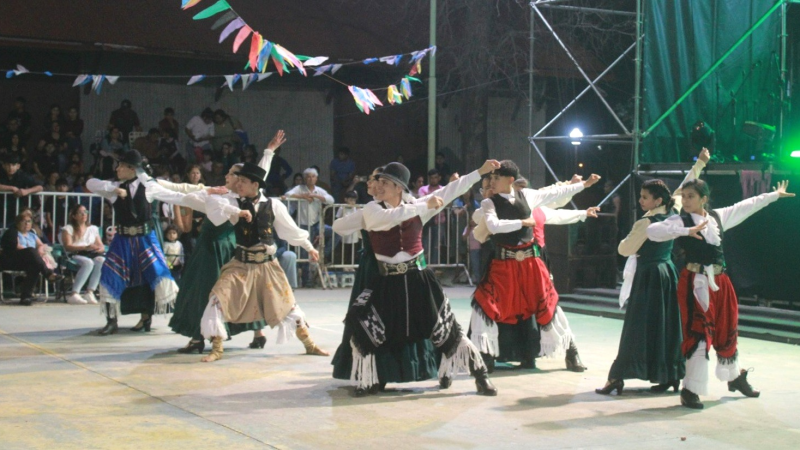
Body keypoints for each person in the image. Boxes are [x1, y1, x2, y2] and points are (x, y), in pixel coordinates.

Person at [345, 160, 502, 397]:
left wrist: (480, 172)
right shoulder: (372, 209)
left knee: (446, 329)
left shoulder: (420, 206)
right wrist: (422, 206)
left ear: (399, 187)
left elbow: (452, 189)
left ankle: (480, 375)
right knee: (371, 328)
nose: (378, 186)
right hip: (387, 280)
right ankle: (371, 378)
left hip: (419, 279)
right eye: (378, 182)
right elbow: (385, 219)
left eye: (385, 182)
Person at [646, 176, 795, 409]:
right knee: (698, 333)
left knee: (727, 329)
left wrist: (773, 196)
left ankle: (734, 377)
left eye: (691, 196)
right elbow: (653, 231)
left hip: (720, 281)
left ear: (703, 199)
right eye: (684, 196)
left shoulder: (717, 216)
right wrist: (685, 230)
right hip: (695, 283)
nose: (686, 200)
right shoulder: (680, 220)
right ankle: (690, 388)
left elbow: (745, 206)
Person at [469, 160, 600, 373]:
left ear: (510, 180)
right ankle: (485, 354)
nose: (492, 182)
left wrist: (582, 185)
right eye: (490, 178)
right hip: (503, 264)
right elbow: (493, 226)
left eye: (496, 178)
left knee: (548, 303)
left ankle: (571, 351)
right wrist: (522, 223)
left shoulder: (528, 196)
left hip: (531, 262)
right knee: (487, 304)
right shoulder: (488, 204)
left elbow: (554, 194)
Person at [595, 151, 708, 396]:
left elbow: (624, 249)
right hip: (667, 273)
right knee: (665, 325)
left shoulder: (645, 224)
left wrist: (628, 240)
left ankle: (617, 377)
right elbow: (683, 186)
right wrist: (700, 163)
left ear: (657, 200)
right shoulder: (674, 211)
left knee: (637, 327)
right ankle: (669, 375)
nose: (640, 200)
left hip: (648, 276)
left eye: (644, 197)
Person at [165, 131, 285, 354]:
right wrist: (269, 151)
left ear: (241, 180)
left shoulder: (229, 197)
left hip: (213, 249)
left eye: (231, 174)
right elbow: (258, 175)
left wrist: (269, 153)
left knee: (206, 291)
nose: (226, 176)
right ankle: (256, 333)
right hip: (225, 247)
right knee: (238, 291)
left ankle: (198, 338)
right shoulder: (228, 195)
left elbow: (258, 175)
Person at [198, 161, 328, 362]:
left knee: (288, 305)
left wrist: (309, 247)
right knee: (217, 298)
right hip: (241, 264)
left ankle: (309, 345)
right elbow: (209, 204)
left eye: (243, 181)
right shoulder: (232, 202)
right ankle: (217, 348)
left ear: (255, 184)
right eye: (238, 180)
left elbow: (290, 229)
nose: (238, 184)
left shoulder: (273, 205)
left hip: (267, 266)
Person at [86, 150, 186, 336]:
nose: (117, 169)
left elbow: (176, 195)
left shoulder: (149, 186)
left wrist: (206, 195)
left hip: (145, 238)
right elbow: (90, 183)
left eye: (121, 166)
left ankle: (148, 317)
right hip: (122, 240)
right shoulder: (115, 187)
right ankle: (111, 321)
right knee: (110, 273)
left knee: (155, 274)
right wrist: (114, 190)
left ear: (132, 169)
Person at [285, 167, 336, 286]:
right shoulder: (300, 188)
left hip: (316, 224)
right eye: (308, 176)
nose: (310, 179)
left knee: (334, 232)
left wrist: (316, 196)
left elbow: (331, 200)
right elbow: (287, 195)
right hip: (302, 224)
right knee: (304, 254)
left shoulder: (319, 190)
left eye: (313, 176)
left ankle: (323, 254)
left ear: (316, 178)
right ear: (305, 178)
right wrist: (302, 196)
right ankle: (306, 280)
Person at [0, 212, 63, 305]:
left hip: (28, 261)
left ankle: (26, 297)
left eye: (29, 221)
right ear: (17, 223)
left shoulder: (32, 234)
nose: (27, 224)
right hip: (11, 260)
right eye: (24, 221)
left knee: (35, 266)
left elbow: (41, 245)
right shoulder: (12, 232)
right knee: (31, 252)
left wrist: (39, 250)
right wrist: (34, 253)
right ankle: (48, 274)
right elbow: (16, 247)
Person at [61, 204, 105, 305]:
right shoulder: (68, 228)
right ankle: (74, 293)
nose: (84, 214)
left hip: (91, 253)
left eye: (85, 212)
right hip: (75, 254)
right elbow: (68, 246)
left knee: (101, 260)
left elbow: (101, 245)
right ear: (74, 216)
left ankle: (90, 291)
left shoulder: (93, 228)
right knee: (88, 263)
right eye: (80, 212)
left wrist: (98, 249)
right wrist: (85, 247)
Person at [0, 153, 42, 227]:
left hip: (17, 210)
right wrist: (11, 188)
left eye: (13, 165)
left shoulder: (22, 175)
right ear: (3, 165)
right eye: (8, 165)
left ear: (18, 166)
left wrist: (26, 191)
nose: (10, 167)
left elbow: (39, 187)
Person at [335, 190, 361, 265]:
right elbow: (337, 218)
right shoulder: (342, 208)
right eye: (350, 200)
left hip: (354, 233)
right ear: (346, 199)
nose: (352, 202)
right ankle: (344, 265)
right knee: (345, 249)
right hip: (345, 233)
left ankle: (351, 265)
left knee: (353, 249)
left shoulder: (356, 208)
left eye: (354, 200)